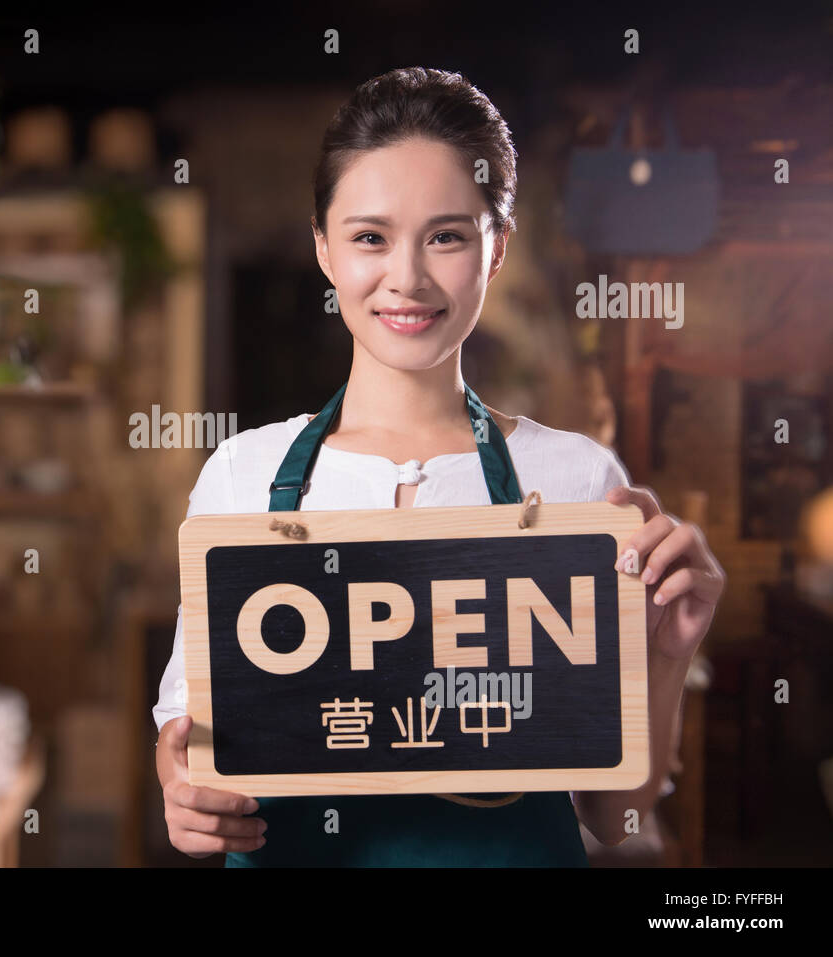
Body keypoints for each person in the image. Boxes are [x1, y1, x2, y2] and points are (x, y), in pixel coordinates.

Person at [152, 67, 726, 867]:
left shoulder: (575, 483)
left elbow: (613, 815)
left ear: (497, 249)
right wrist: (185, 800)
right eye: (369, 237)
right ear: (323, 246)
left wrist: (669, 651)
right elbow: (188, 739)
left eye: (448, 235)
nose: (409, 277)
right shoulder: (240, 477)